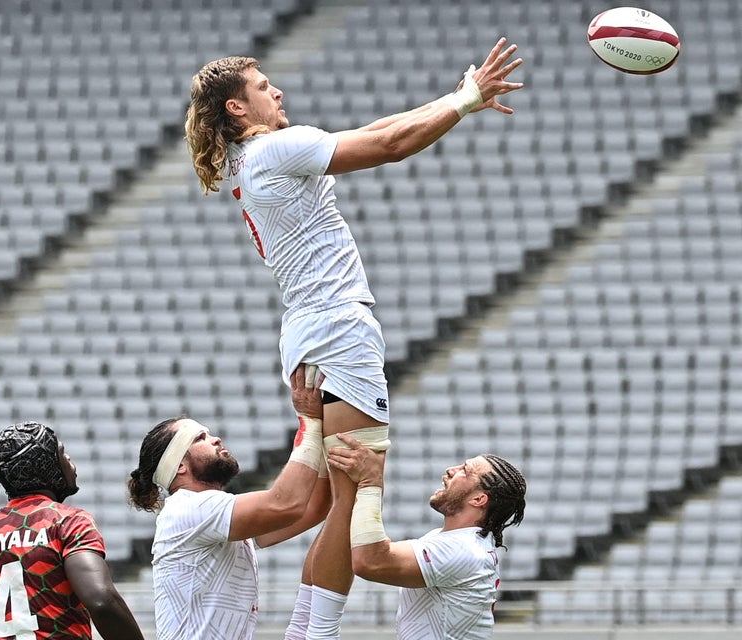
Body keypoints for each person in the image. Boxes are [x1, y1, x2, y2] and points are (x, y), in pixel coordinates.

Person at [183, 37, 524, 638]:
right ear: (236, 107)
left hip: (311, 327)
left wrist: (455, 97)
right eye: (263, 86)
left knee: (332, 499)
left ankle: (307, 630)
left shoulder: (255, 158)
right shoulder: (277, 150)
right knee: (348, 497)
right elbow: (390, 145)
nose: (277, 90)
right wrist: (466, 101)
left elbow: (375, 127)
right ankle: (314, 634)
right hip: (339, 326)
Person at [126, 364, 331, 640]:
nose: (215, 438)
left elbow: (314, 507)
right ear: (180, 466)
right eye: (200, 438)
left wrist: (328, 434)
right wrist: (309, 421)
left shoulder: (205, 512)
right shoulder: (188, 508)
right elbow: (288, 504)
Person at [0, 421, 145, 640]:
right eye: (62, 452)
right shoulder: (68, 522)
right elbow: (101, 601)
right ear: (44, 464)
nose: (69, 458)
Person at [327, 433, 527, 639]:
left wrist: (371, 481)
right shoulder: (459, 542)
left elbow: (370, 562)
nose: (451, 470)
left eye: (465, 471)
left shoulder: (461, 549)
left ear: (479, 499)